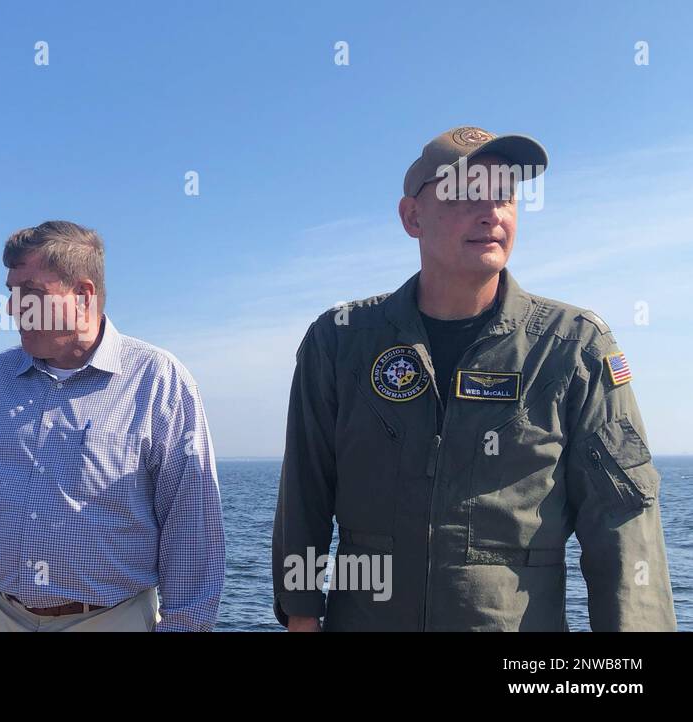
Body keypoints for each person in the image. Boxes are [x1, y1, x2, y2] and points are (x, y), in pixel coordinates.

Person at [272, 126, 676, 631]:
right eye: (465, 194)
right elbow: (303, 495)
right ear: (412, 216)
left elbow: (622, 526)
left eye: (505, 196)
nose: (492, 213)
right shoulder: (340, 341)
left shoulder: (574, 347)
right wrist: (302, 616)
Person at [0, 221, 225, 631]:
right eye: (11, 294)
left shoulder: (159, 380)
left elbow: (192, 530)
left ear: (83, 295)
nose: (12, 309)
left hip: (110, 620)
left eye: (29, 294)